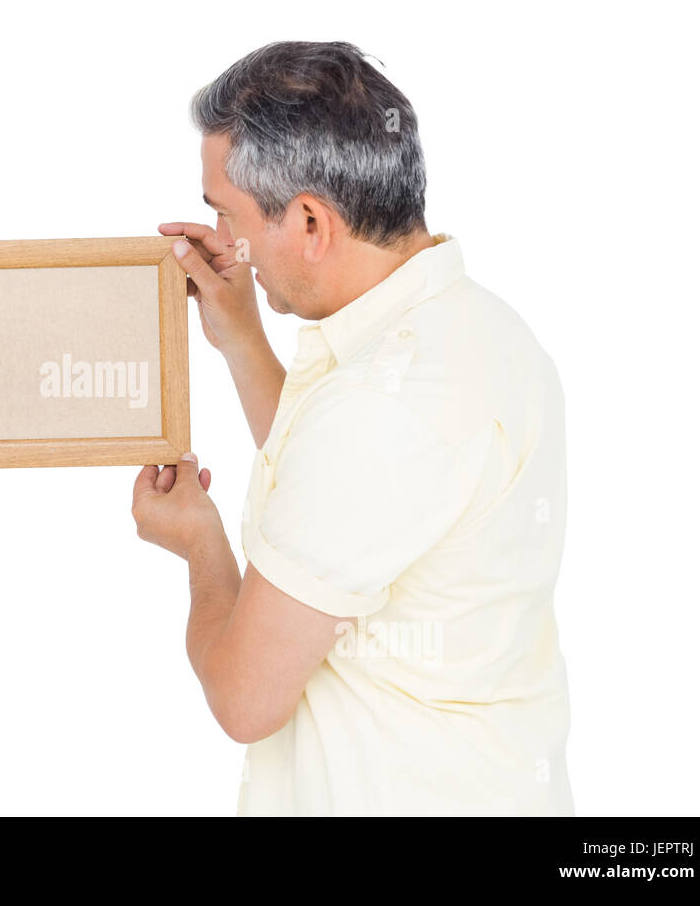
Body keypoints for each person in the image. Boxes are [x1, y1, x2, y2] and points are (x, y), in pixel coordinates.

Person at [132, 42, 573, 815]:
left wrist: (200, 543)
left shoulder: (383, 407)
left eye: (228, 216)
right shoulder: (476, 328)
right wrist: (241, 337)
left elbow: (243, 697)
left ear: (310, 221)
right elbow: (341, 501)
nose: (225, 243)